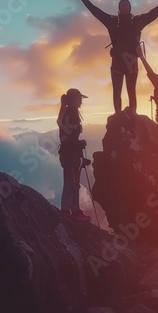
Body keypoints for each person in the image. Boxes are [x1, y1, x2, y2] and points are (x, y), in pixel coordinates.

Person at [70, 0, 158, 114]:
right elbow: (95, 10)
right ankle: (118, 115)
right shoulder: (111, 21)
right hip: (117, 61)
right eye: (122, 5)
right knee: (117, 91)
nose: (124, 6)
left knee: (131, 91)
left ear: (130, 7)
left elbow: (154, 13)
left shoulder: (137, 21)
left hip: (131, 62)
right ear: (119, 8)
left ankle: (133, 114)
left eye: (127, 5)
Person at [57, 88, 91, 220]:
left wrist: (78, 144)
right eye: (79, 99)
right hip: (71, 153)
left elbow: (66, 135)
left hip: (69, 153)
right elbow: (70, 137)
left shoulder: (67, 112)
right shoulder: (71, 114)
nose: (81, 101)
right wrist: (79, 144)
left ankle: (71, 210)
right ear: (73, 100)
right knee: (72, 182)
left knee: (71, 181)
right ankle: (70, 210)